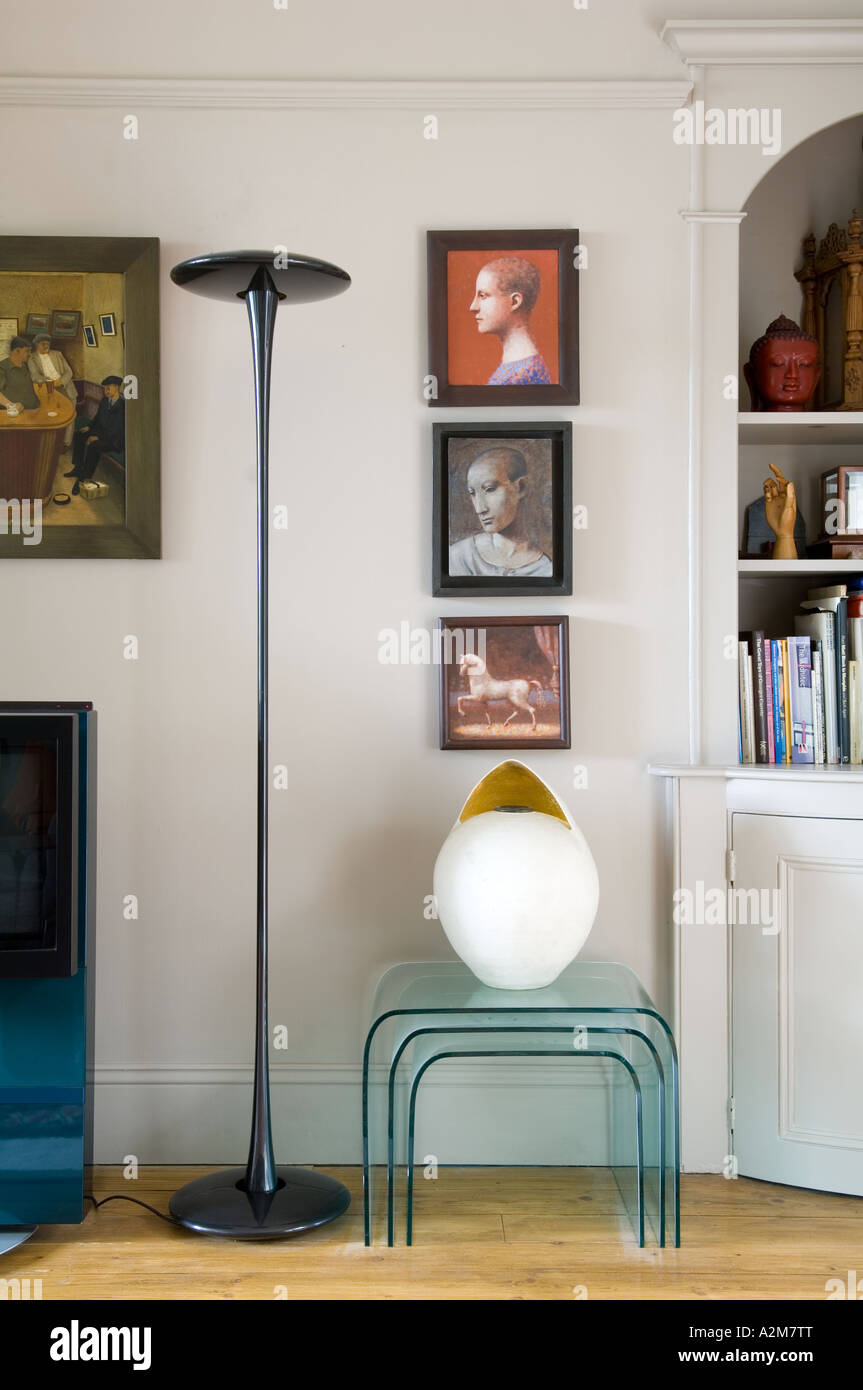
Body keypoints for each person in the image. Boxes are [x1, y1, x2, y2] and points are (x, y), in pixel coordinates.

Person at [449, 446, 552, 577]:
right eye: (472, 493)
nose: (480, 509)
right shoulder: (457, 557)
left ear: (521, 487)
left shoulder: (545, 569)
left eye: (490, 489)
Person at [469, 257, 551, 386]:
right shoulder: (521, 368)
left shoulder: (522, 375)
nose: (473, 307)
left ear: (514, 302)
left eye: (483, 296)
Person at [65, 375, 124, 495]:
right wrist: (89, 427)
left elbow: (116, 430)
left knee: (94, 445)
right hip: (101, 431)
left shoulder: (122, 406)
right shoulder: (104, 401)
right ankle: (78, 467)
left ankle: (84, 477)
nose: (106, 391)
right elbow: (97, 418)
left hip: (114, 440)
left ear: (116, 387)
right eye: (104, 388)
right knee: (79, 434)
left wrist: (97, 437)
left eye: (109, 388)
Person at [27, 332, 78, 444]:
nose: (46, 346)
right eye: (43, 344)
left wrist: (60, 381)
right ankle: (54, 444)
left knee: (70, 416)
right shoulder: (31, 358)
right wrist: (49, 382)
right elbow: (34, 375)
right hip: (49, 392)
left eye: (48, 344)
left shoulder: (58, 354)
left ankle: (66, 443)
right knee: (53, 418)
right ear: (36, 344)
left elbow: (69, 371)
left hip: (67, 388)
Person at [0, 336, 39, 413]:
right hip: (17, 414)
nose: (29, 354)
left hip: (34, 410)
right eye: (27, 351)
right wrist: (11, 405)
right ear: (17, 351)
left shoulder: (24, 366)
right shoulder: (2, 367)